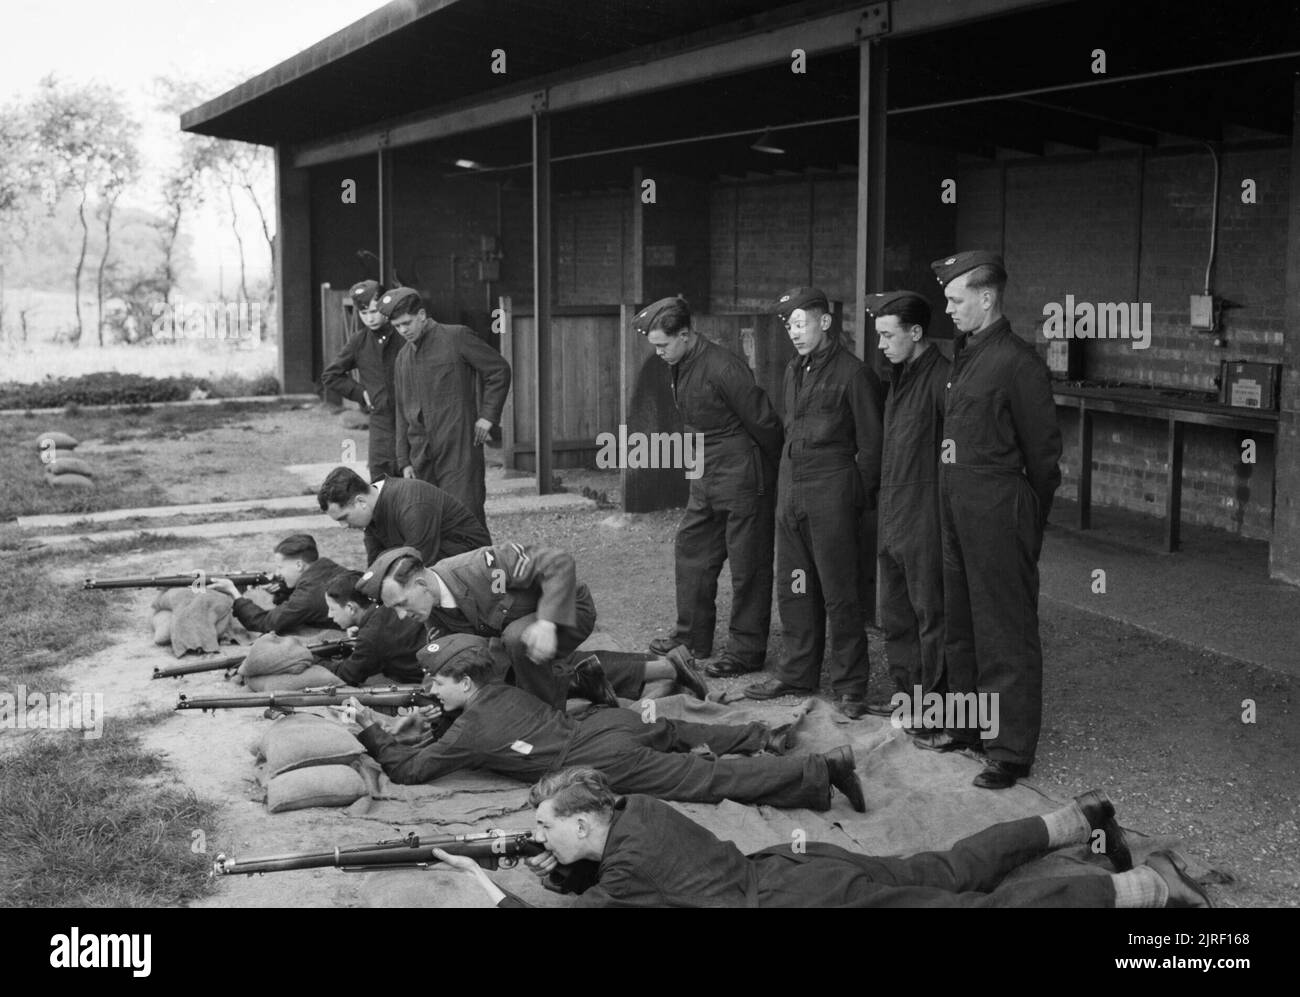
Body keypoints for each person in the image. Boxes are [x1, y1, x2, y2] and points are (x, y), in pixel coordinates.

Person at [436, 767, 1212, 909]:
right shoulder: (636, 810)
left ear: (580, 822)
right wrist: (563, 866)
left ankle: (1145, 888)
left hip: (802, 898)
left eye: (546, 827)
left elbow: (612, 895)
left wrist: (487, 887)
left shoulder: (627, 863)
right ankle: (1077, 815)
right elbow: (612, 877)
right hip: (799, 866)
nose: (539, 836)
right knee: (943, 867)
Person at [346, 636, 864, 813]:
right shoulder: (498, 690)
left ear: (464, 683)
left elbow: (413, 772)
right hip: (607, 722)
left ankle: (820, 772)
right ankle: (763, 736)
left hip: (596, 758)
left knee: (704, 782)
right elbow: (460, 735)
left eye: (439, 682)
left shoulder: (471, 728)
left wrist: (369, 732)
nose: (433, 690)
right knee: (678, 730)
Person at [925, 252, 1062, 790]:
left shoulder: (1016, 362)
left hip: (998, 508)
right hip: (956, 504)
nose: (949, 308)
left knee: (1004, 628)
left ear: (986, 298)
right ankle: (968, 726)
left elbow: (1044, 459)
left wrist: (1026, 521)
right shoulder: (967, 354)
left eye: (956, 299)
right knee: (961, 621)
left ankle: (1009, 750)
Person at [745, 288, 883, 719]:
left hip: (832, 495)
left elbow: (873, 447)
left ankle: (850, 686)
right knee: (797, 585)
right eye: (789, 325)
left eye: (801, 322)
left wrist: (851, 496)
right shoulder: (794, 369)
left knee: (840, 592)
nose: (794, 332)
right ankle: (798, 671)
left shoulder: (854, 374)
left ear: (825, 322)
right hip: (793, 495)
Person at [357, 545, 709, 710]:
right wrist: (430, 696)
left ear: (420, 583)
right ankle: (666, 668)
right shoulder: (432, 610)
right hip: (523, 632)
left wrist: (546, 622)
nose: (402, 616)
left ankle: (553, 720)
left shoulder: (481, 567)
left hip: (567, 608)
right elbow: (447, 660)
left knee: (521, 646)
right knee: (510, 666)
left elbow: (558, 562)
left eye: (401, 604)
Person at [633, 296, 783, 678]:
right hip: (705, 472)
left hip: (741, 473)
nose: (659, 352)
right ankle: (692, 639)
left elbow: (765, 423)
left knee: (748, 563)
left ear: (685, 335)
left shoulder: (724, 367)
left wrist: (766, 473)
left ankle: (746, 651)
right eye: (655, 345)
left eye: (664, 344)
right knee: (692, 549)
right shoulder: (680, 362)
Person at [867, 291, 950, 730]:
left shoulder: (941, 381)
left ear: (915, 333)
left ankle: (933, 710)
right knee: (896, 614)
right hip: (893, 512)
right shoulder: (899, 377)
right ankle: (907, 699)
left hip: (923, 516)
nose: (880, 345)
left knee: (929, 614)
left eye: (887, 335)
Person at [378, 286, 512, 527]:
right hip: (420, 453)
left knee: (465, 516)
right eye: (397, 326)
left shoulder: (456, 337)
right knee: (428, 522)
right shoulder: (402, 358)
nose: (403, 330)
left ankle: (483, 565)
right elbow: (400, 410)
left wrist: (487, 416)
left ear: (421, 315)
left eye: (407, 323)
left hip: (458, 447)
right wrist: (404, 460)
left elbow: (498, 371)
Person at [316, 466, 491, 565]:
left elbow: (415, 569)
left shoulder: (413, 504)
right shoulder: (371, 508)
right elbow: (375, 566)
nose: (344, 526)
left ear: (361, 501)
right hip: (434, 559)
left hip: (472, 562)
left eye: (344, 518)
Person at [321, 280, 404, 481]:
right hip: (381, 424)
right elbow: (331, 376)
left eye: (375, 311)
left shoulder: (404, 334)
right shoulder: (359, 342)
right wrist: (362, 394)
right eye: (364, 313)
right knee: (381, 480)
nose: (370, 318)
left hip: (410, 420)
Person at [207, 534, 343, 635]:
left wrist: (234, 593)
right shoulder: (328, 569)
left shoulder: (308, 596)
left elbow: (265, 623)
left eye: (280, 567)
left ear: (299, 565)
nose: (277, 573)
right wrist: (284, 591)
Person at [321, 570, 426, 685]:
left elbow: (347, 675)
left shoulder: (371, 636)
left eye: (332, 609)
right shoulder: (386, 603)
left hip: (423, 679)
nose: (329, 615)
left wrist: (317, 661)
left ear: (350, 608)